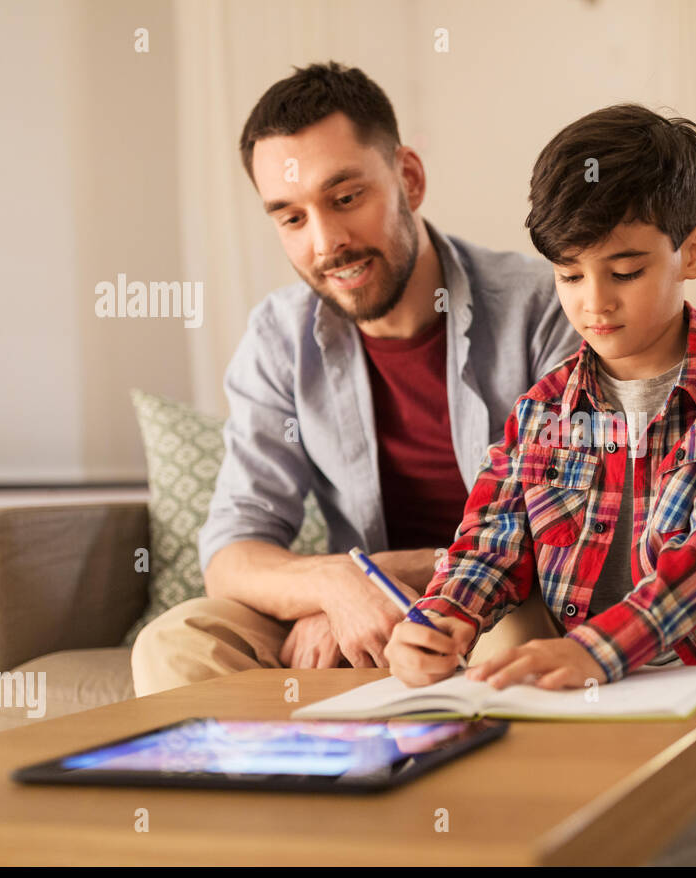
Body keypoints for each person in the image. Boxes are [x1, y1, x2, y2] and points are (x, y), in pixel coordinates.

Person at [384, 104, 696, 865]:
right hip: (595, 695)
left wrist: (597, 650)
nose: (592, 301)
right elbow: (488, 542)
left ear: (692, 251)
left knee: (655, 836)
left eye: (625, 271)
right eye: (569, 274)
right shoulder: (542, 408)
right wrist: (441, 617)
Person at [131, 61, 580, 695]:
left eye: (345, 199)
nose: (326, 242)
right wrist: (330, 588)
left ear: (409, 179)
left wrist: (369, 579)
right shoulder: (278, 337)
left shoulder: (543, 307)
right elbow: (234, 552)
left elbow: (569, 529)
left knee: (511, 644)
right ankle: (280, 794)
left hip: (502, 603)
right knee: (176, 646)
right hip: (361, 623)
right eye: (291, 218)